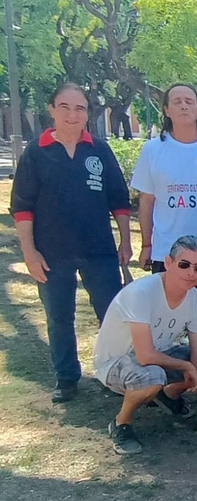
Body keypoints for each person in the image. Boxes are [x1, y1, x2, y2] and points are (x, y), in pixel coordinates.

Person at [11, 83, 132, 403]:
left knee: (111, 313)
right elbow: (22, 207)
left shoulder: (99, 150)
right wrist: (29, 251)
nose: (72, 114)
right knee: (59, 317)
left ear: (88, 114)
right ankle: (66, 377)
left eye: (79, 108)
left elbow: (119, 199)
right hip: (52, 252)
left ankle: (116, 371)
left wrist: (125, 241)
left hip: (100, 250)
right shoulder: (36, 152)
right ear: (51, 109)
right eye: (65, 107)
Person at [93, 236, 197, 455]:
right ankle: (121, 423)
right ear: (168, 263)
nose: (191, 273)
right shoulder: (141, 293)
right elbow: (144, 356)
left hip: (160, 355)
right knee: (151, 376)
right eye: (184, 264)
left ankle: (166, 394)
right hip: (117, 362)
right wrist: (185, 366)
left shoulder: (195, 299)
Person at [131, 83, 197, 356]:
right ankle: (160, 371)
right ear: (166, 109)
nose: (183, 106)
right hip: (169, 249)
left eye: (189, 101)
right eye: (176, 101)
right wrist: (146, 243)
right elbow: (146, 201)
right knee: (164, 313)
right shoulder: (153, 150)